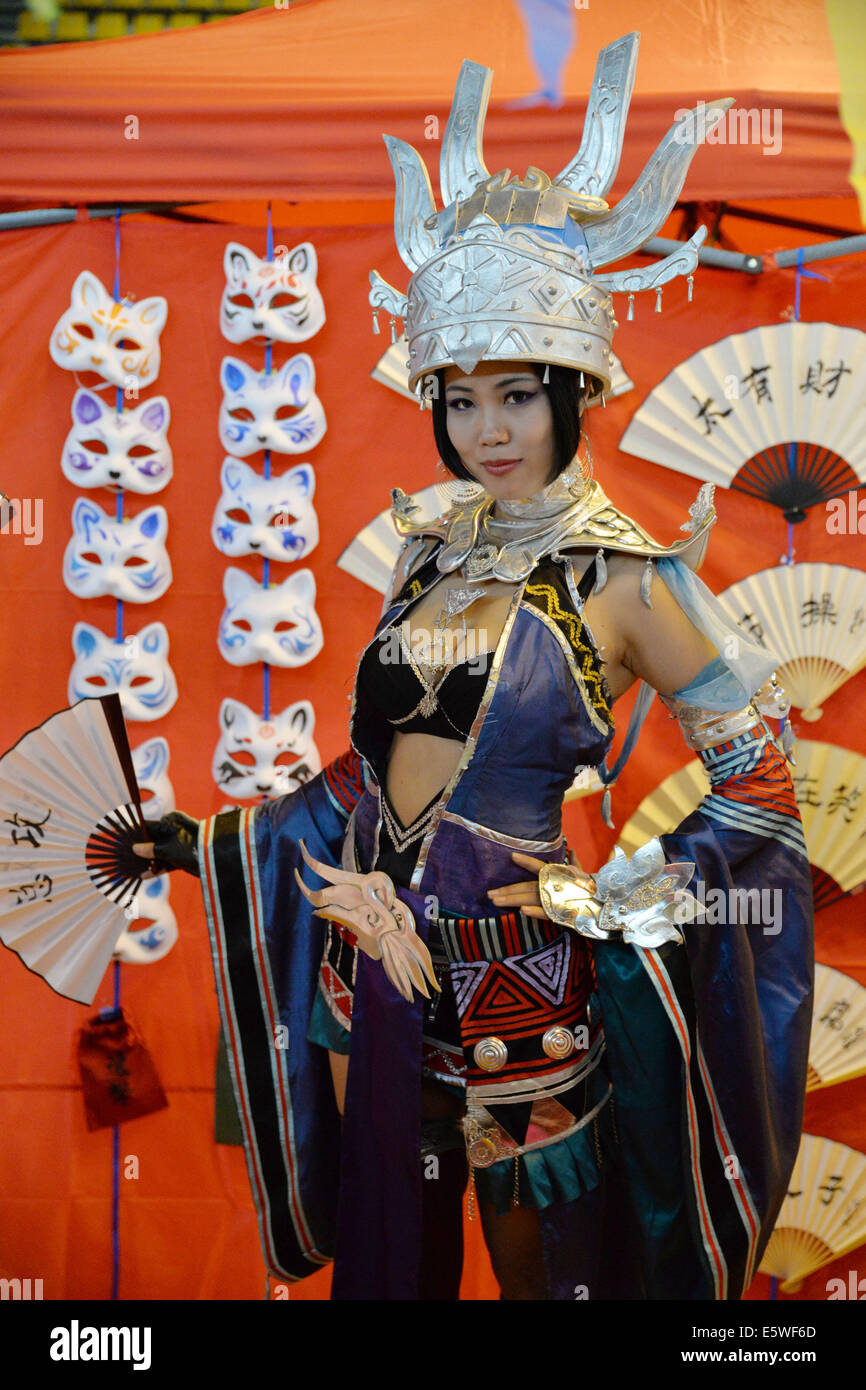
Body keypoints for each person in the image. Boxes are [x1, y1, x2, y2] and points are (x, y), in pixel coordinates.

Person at [133, 38, 814, 1301]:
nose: (484, 431)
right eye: (459, 400)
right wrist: (210, 842)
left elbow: (757, 787)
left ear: (570, 394)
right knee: (395, 1246)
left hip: (527, 985)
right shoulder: (423, 554)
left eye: (515, 397)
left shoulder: (628, 574)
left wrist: (626, 907)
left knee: (540, 1267)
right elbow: (366, 772)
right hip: (378, 961)